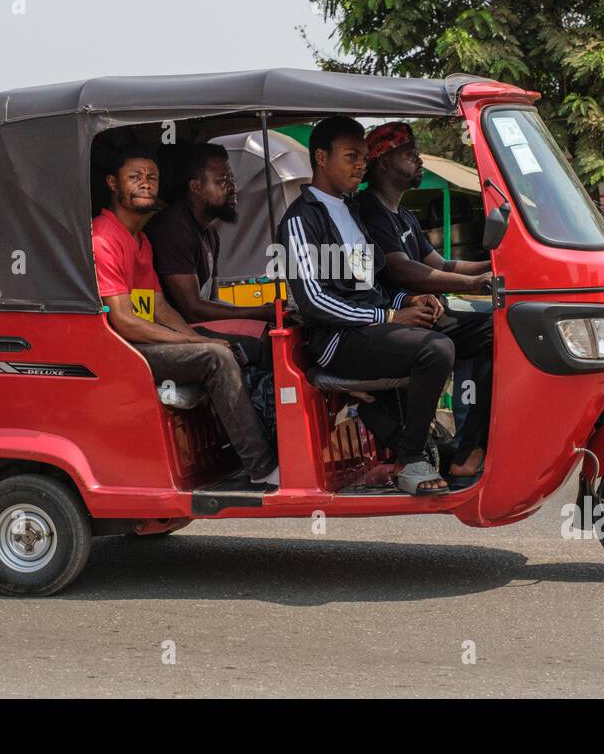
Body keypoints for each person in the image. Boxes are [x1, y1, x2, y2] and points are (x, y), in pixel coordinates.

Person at [276, 116, 454, 495]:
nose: (362, 164)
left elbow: (369, 286)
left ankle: (442, 442)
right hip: (336, 342)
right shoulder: (300, 221)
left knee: (459, 329)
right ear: (321, 158)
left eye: (364, 156)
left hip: (369, 329)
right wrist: (389, 315)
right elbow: (313, 301)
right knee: (436, 349)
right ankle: (410, 456)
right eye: (352, 156)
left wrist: (409, 299)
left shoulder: (354, 211)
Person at [92, 145, 278, 487]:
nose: (145, 184)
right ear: (112, 184)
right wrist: (194, 341)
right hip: (119, 348)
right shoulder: (103, 237)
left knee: (217, 348)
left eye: (152, 178)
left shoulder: (139, 240)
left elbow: (161, 308)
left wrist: (198, 338)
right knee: (216, 357)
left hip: (138, 342)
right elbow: (124, 321)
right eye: (134, 177)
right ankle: (263, 469)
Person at [356, 121, 494, 482]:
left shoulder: (402, 214)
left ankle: (469, 439)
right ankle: (466, 449)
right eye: (409, 153)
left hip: (425, 306)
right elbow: (404, 271)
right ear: (383, 162)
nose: (418, 160)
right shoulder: (370, 210)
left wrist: (496, 264)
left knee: (495, 323)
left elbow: (439, 264)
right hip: (397, 315)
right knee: (495, 328)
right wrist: (474, 283)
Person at [145, 143, 276, 327]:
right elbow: (192, 309)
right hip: (176, 330)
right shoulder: (174, 228)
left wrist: (260, 311)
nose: (232, 188)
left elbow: (212, 299)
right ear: (196, 186)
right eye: (222, 180)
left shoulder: (210, 232)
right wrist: (260, 313)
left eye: (232, 180)